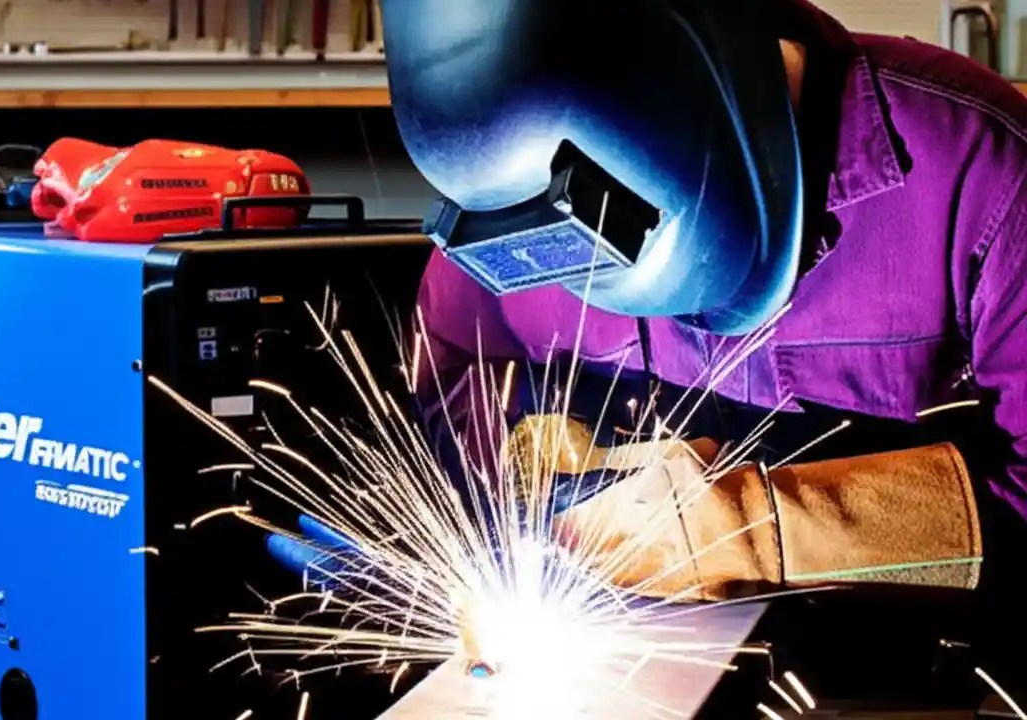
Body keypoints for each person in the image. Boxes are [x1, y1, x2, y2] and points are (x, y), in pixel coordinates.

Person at [271, 0, 1027, 691]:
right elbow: (456, 430)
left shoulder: (981, 171)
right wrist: (507, 497)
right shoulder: (492, 236)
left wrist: (757, 527)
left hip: (917, 676)